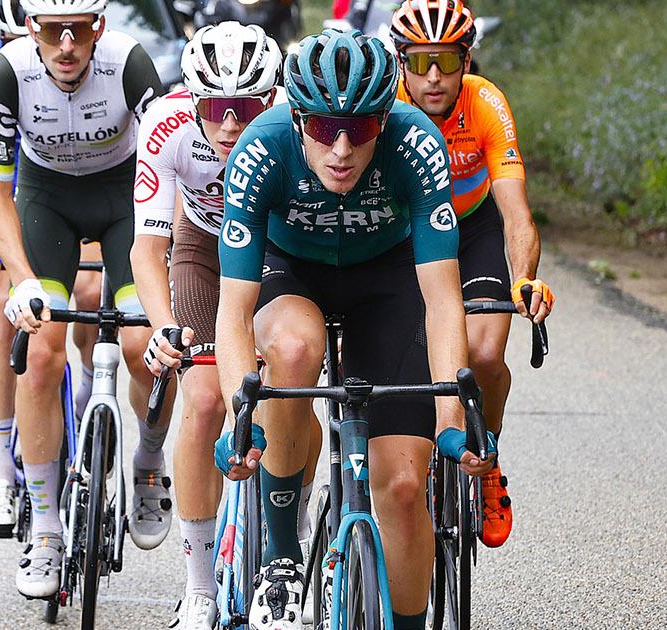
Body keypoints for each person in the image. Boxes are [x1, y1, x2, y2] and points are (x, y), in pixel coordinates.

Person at [212, 30, 496, 630]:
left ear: (383, 122)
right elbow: (233, 312)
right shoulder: (260, 150)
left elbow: (443, 301)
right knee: (292, 349)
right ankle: (283, 555)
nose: (341, 149)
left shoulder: (416, 139)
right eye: (321, 129)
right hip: (293, 270)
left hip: (387, 277)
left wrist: (450, 421)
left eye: (361, 129)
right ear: (295, 118)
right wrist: (241, 417)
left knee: (399, 488)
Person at [130, 22, 322, 629]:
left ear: (270, 101)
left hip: (273, 248)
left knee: (287, 383)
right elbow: (145, 249)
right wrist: (164, 329)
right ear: (193, 102)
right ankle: (199, 586)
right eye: (216, 108)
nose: (231, 125)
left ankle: (286, 521)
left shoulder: (297, 120)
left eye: (244, 108)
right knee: (207, 402)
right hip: (202, 246)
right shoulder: (164, 124)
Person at [0, 0, 170, 599]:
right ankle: (42, 531)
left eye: (79, 29)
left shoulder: (130, 64)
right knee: (39, 352)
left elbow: (168, 161)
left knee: (144, 343)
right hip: (47, 202)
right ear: (31, 28)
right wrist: (22, 278)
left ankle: (148, 461)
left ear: (100, 29)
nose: (66, 44)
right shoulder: (8, 72)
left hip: (126, 198)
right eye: (52, 30)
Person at [390, 0, 555, 548]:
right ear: (400, 63)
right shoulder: (385, 107)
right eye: (418, 63)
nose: (432, 77)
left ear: (466, 61)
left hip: (472, 224)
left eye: (445, 61)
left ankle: (486, 459)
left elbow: (516, 216)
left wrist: (525, 278)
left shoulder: (485, 104)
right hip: (406, 229)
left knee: (483, 356)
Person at [0, 0, 102, 539]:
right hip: (13, 207)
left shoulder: (94, 61)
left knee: (90, 295)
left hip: (76, 201)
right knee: (1, 305)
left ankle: (89, 401)